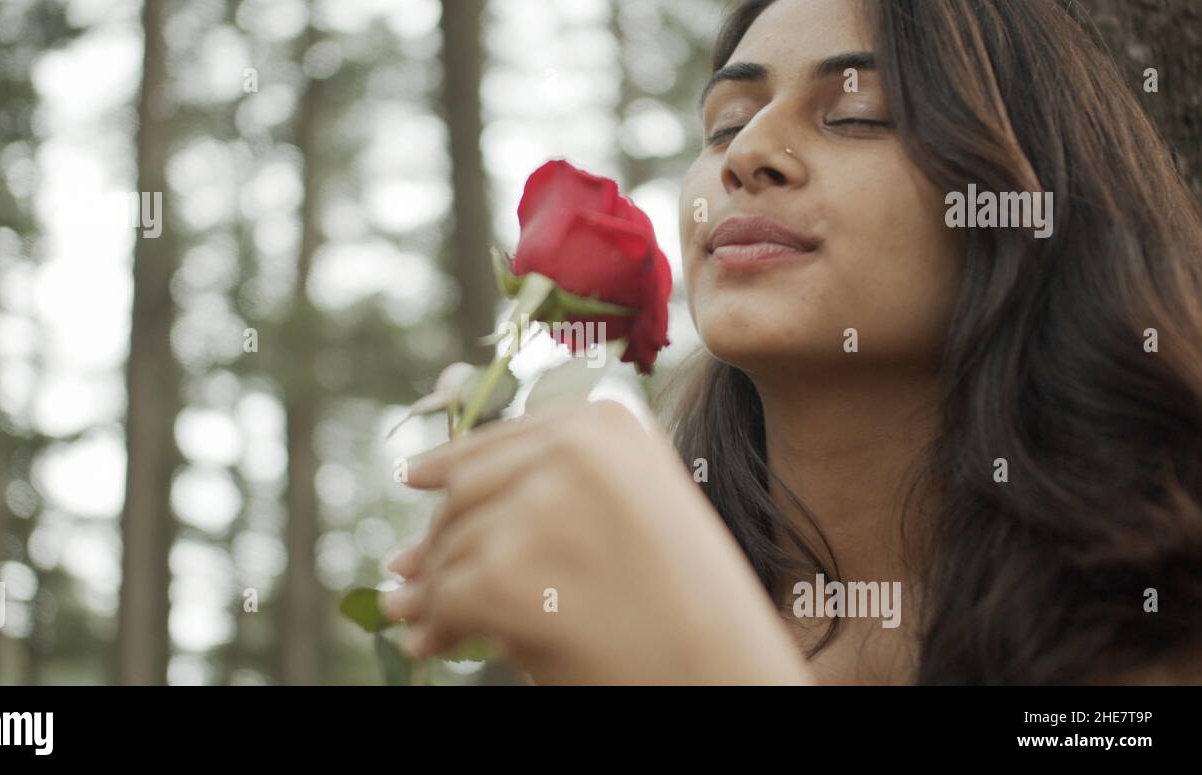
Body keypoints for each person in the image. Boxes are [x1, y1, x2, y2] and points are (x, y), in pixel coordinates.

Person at [378, 0, 1202, 685]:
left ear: (1026, 203)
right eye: (724, 123)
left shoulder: (1158, 628)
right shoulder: (583, 625)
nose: (749, 154)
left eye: (855, 115)